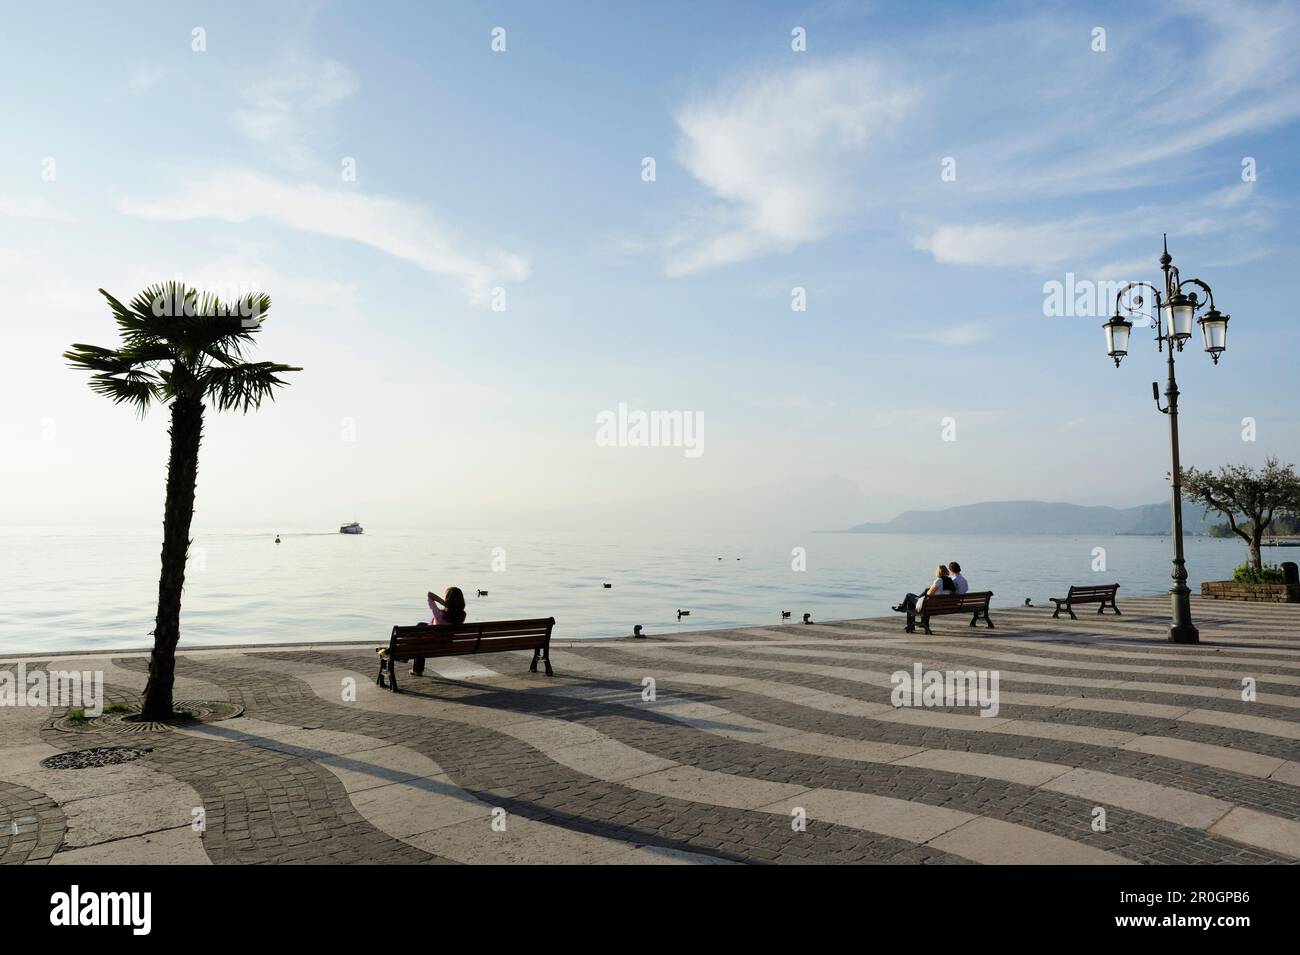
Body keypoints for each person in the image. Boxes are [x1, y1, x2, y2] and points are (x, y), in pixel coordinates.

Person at [410, 586, 467, 676]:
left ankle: (417, 670)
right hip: (447, 644)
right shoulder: (461, 616)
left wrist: (444, 603)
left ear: (447, 599)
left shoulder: (439, 615)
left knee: (420, 641)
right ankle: (416, 668)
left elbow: (429, 594)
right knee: (421, 625)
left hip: (434, 645)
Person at [893, 564, 955, 633]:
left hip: (930, 605)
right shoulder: (950, 581)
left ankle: (903, 609)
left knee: (908, 596)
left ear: (939, 572)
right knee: (923, 592)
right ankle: (904, 610)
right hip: (941, 605)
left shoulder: (939, 580)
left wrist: (926, 592)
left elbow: (929, 594)